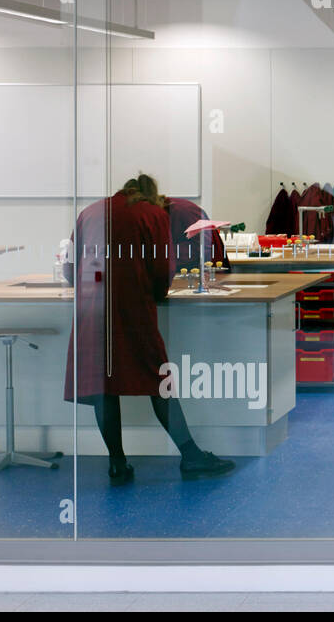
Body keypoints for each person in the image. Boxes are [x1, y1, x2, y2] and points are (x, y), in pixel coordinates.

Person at [63, 173, 235, 485]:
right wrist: (156, 295)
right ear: (151, 196)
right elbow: (161, 270)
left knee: (103, 387)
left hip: (91, 309)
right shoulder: (153, 214)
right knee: (160, 382)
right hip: (131, 310)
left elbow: (69, 268)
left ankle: (117, 465)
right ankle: (191, 456)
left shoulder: (89, 213)